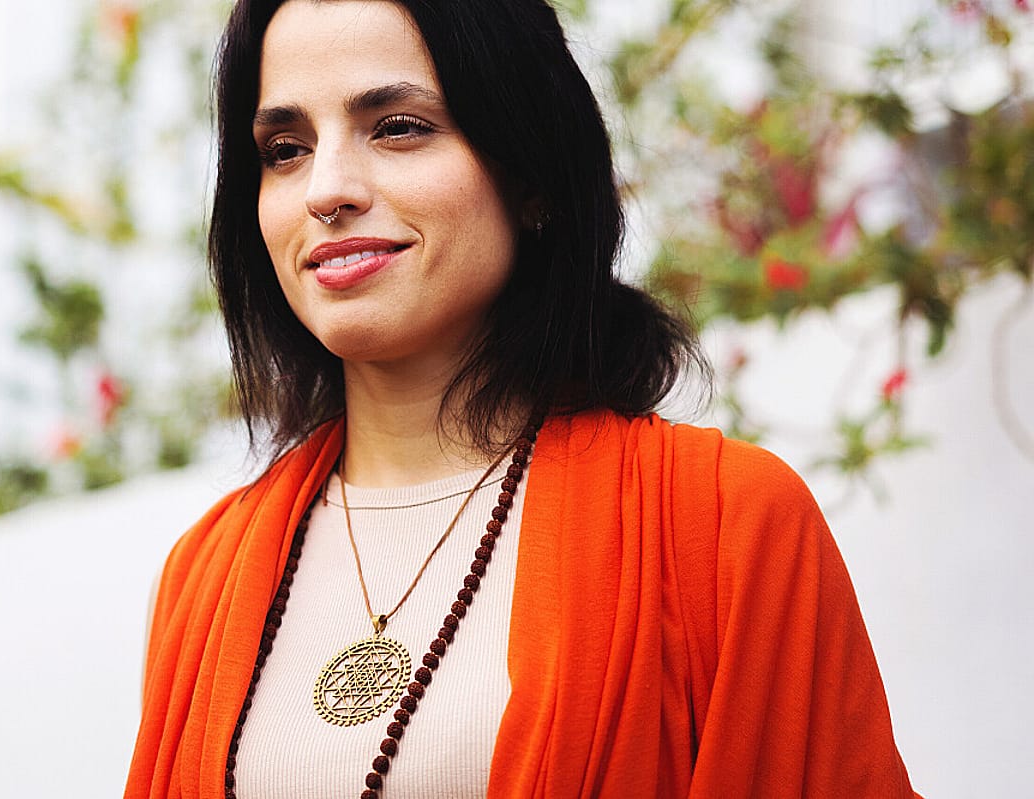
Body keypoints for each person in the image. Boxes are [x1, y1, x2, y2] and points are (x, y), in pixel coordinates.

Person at [125, 1, 921, 797]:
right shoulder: (206, 577)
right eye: (285, 150)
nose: (325, 190)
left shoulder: (719, 525)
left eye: (397, 127)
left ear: (532, 173)